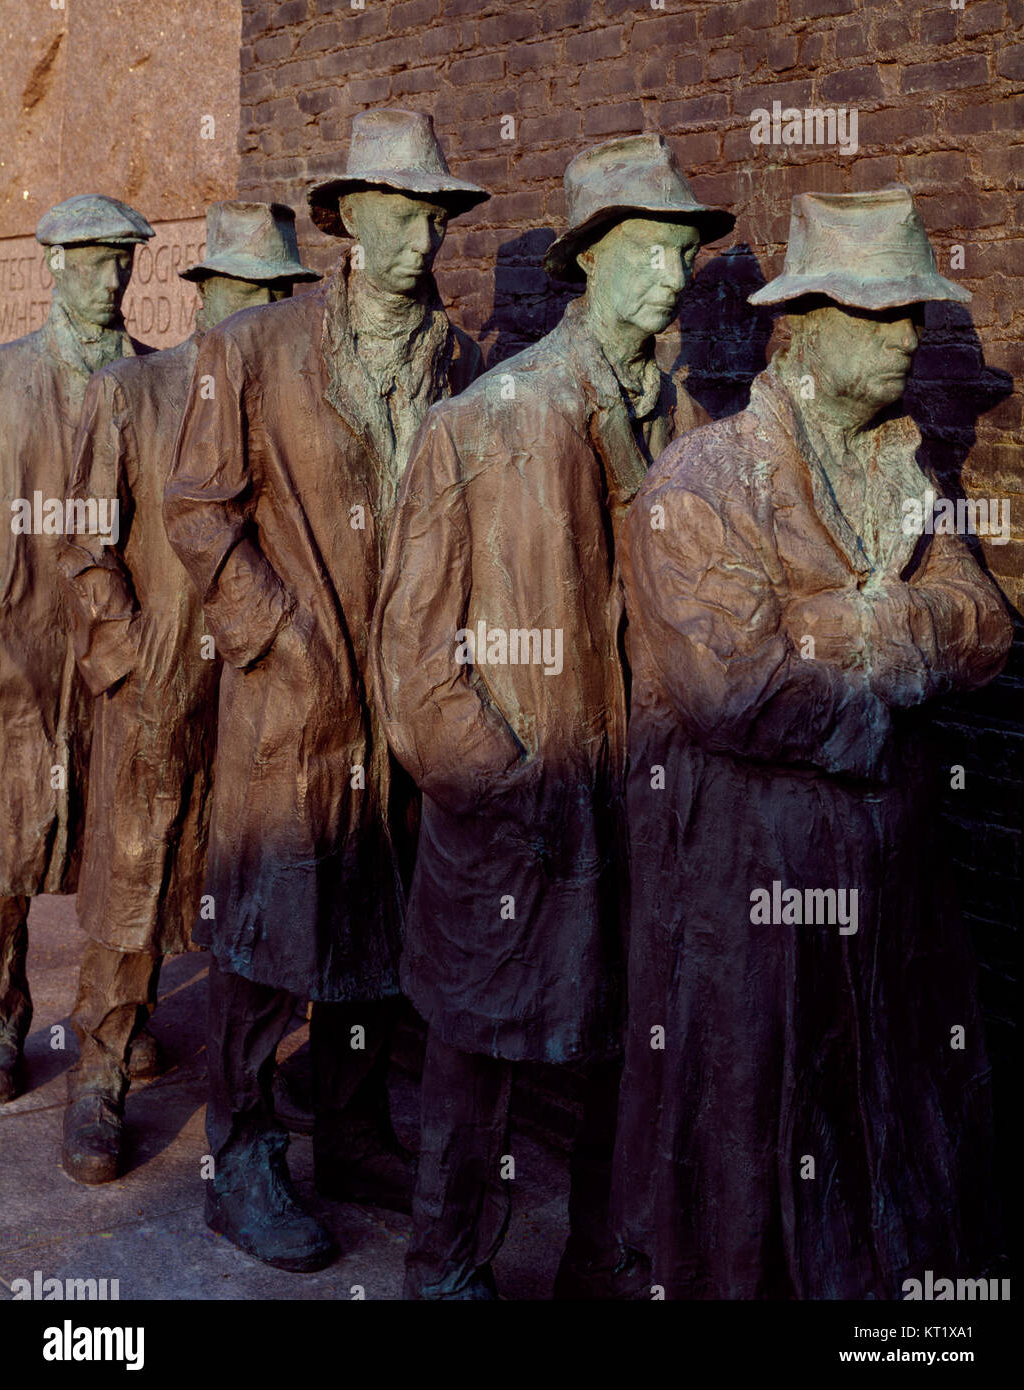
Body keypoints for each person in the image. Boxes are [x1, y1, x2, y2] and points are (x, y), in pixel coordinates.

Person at [614, 186, 1013, 1299]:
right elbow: (728, 687)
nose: (905, 338)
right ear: (806, 322)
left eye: (911, 316)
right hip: (751, 881)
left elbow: (979, 629)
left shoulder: (905, 471)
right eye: (881, 315)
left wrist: (860, 627)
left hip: (887, 886)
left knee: (880, 1131)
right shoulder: (702, 482)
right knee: (747, 1135)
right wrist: (874, 675)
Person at [371, 133, 734, 1299]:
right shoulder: (487, 420)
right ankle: (446, 1267)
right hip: (515, 807)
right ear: (589, 263)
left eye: (681, 254)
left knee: (628, 1046)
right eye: (645, 254)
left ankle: (602, 1250)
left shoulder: (678, 425)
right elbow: (415, 658)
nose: (671, 279)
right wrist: (498, 788)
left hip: (636, 804)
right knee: (475, 1053)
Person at [163, 109, 489, 1272]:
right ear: (347, 219)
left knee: (381, 927)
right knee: (265, 934)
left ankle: (348, 1126)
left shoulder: (461, 362)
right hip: (290, 706)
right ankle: (240, 1151)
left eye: (432, 218)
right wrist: (277, 639)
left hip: (404, 707)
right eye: (397, 216)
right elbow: (198, 511)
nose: (419, 240)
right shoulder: (252, 350)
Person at [58, 201, 319, 1184]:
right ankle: (99, 1072)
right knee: (133, 877)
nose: (257, 316)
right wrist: (125, 659)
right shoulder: (133, 391)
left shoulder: (294, 404)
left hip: (257, 692)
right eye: (242, 295)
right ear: (205, 296)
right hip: (157, 677)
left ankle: (249, 1079)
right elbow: (83, 539)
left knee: (249, 879)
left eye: (274, 298)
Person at [0, 195, 153, 1103]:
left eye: (122, 261)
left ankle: (114, 1032)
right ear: (52, 264)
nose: (110, 279)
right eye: (91, 262)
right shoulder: (1, 378)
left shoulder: (157, 379)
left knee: (125, 846)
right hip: (17, 644)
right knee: (3, 842)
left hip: (119, 649)